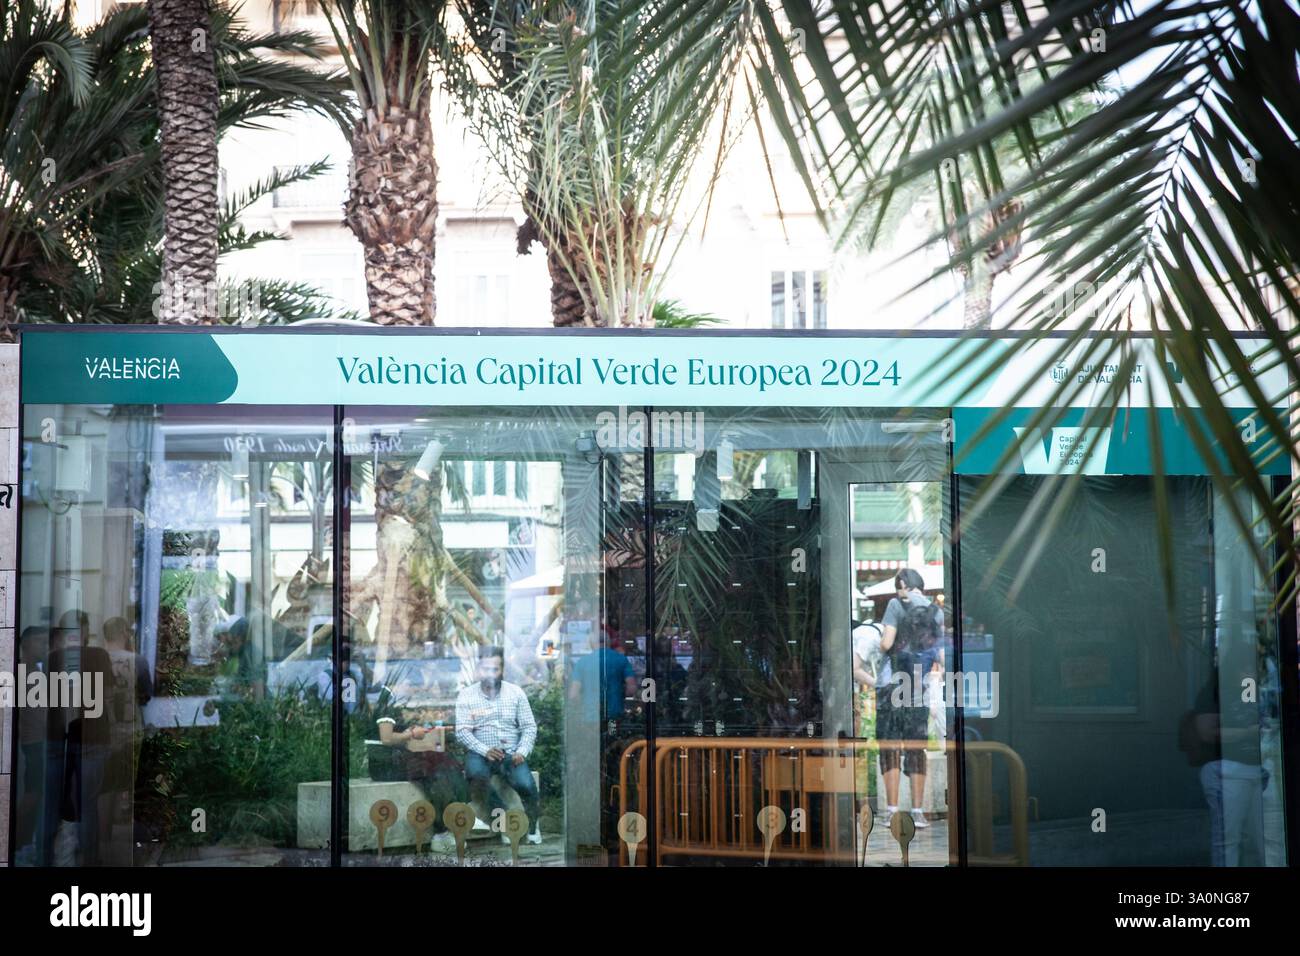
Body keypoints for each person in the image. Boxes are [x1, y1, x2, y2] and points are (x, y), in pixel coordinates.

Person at [454, 645, 542, 845]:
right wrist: (485, 750)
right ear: (478, 669)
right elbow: (462, 731)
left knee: (527, 784)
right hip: (480, 753)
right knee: (475, 775)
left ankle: (533, 827)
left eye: (496, 669)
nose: (491, 674)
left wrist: (522, 751)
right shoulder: (466, 695)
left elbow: (529, 727)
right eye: (486, 669)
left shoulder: (516, 693)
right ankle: (503, 820)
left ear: (502, 670)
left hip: (512, 753)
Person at [877, 569, 943, 829]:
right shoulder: (934, 609)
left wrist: (880, 641)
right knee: (917, 749)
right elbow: (939, 652)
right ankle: (918, 812)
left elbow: (886, 643)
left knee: (889, 747)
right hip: (918, 688)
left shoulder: (896, 603)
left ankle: (892, 811)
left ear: (903, 585)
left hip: (891, 685)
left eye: (898, 586)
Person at [569, 627, 637, 727]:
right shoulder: (621, 659)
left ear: (591, 644)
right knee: (613, 739)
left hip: (590, 717)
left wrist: (584, 704)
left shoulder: (582, 662)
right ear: (608, 642)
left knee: (592, 740)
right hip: (614, 715)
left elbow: (574, 694)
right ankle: (612, 738)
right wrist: (619, 695)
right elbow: (631, 689)